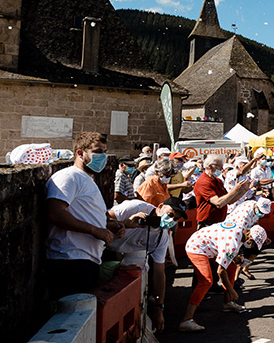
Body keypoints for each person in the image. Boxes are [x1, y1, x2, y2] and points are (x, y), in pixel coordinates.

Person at [44, 132, 125, 299]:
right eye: (97, 151)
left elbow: (82, 214)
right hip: (70, 260)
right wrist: (95, 230)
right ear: (80, 153)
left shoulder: (87, 180)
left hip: (85, 259)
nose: (102, 156)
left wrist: (107, 226)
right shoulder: (69, 177)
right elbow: (55, 212)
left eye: (104, 151)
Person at [177, 199, 270, 332]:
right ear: (249, 239)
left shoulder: (240, 230)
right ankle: (186, 320)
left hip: (206, 243)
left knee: (232, 267)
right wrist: (232, 290)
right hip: (196, 248)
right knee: (206, 281)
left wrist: (235, 259)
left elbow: (225, 253)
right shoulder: (233, 241)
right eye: (254, 244)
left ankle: (227, 303)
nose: (252, 247)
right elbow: (220, 271)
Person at [106, 195, 189, 332]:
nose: (171, 220)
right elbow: (101, 218)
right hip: (99, 243)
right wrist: (125, 223)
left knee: (139, 268)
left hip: (122, 252)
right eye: (170, 214)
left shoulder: (161, 238)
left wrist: (159, 308)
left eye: (175, 219)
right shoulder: (135, 207)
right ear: (160, 207)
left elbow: (159, 273)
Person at [194, 154, 253, 226]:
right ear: (209, 166)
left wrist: (244, 190)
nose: (222, 169)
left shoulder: (217, 181)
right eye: (219, 166)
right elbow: (218, 203)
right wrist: (235, 190)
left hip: (220, 222)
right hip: (208, 223)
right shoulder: (204, 182)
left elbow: (229, 200)